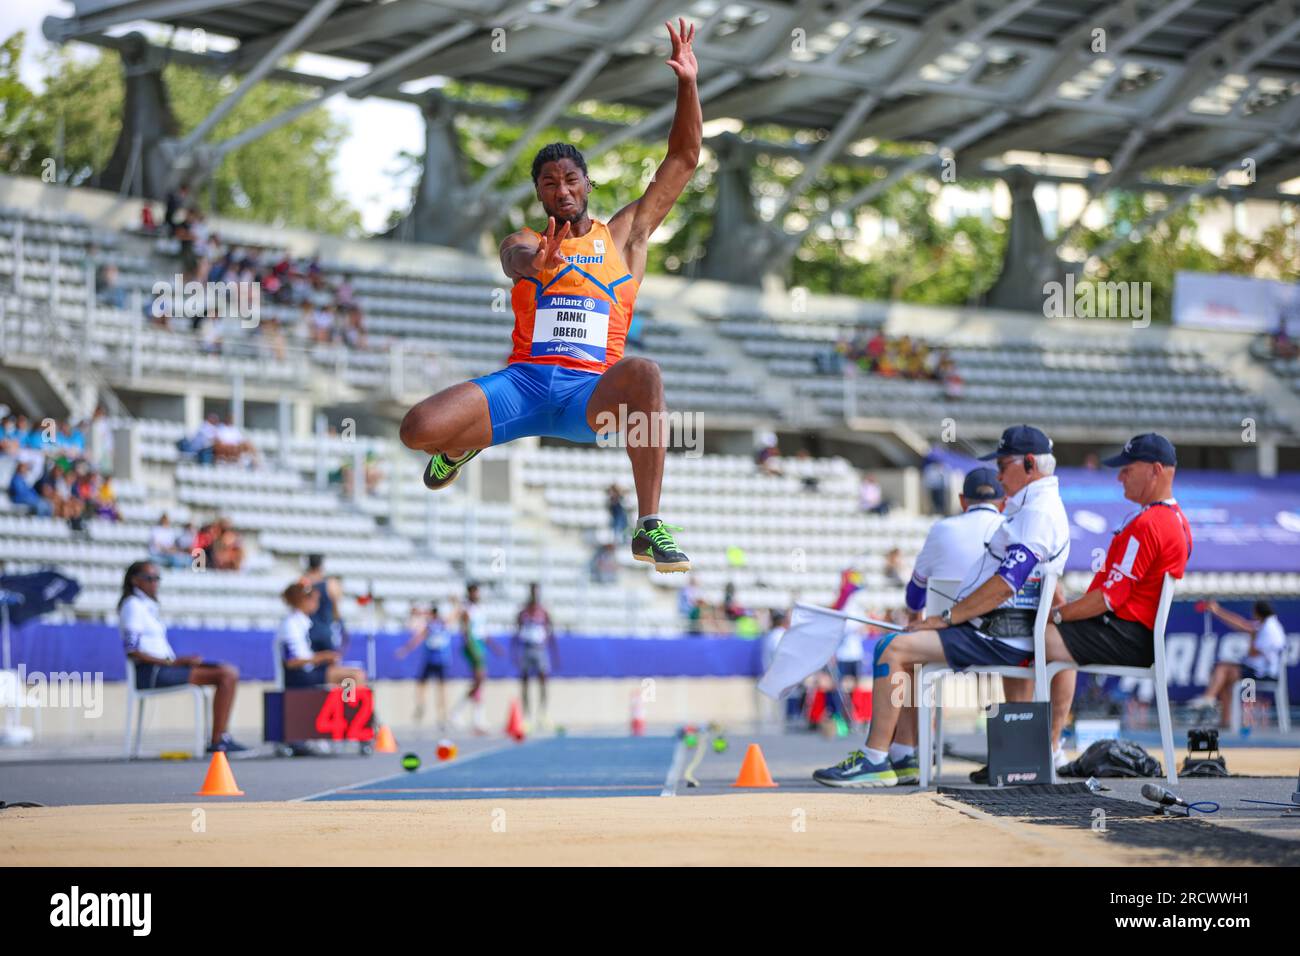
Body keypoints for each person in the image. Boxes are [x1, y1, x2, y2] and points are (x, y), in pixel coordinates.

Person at [398, 19, 701, 575]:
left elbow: (682, 161)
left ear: (586, 184)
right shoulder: (526, 241)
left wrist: (686, 83)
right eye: (548, 183)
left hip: (590, 396)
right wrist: (532, 264)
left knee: (647, 373)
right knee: (416, 430)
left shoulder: (624, 238)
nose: (560, 191)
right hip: (524, 384)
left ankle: (650, 524)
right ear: (539, 192)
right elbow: (512, 261)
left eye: (570, 180)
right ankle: (464, 444)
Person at [815, 425, 1070, 787]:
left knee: (892, 649)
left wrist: (946, 618)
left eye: (1002, 464)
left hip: (995, 633)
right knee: (906, 648)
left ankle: (879, 757)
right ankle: (1011, 758)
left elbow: (1005, 584)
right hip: (1003, 631)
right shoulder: (1033, 508)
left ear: (1029, 463)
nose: (999, 475)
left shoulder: (1037, 513)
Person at [1045, 434, 1192, 745]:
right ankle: (1049, 745)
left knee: (1029, 639)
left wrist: (1058, 615)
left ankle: (1036, 748)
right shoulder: (1177, 520)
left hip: (1125, 635)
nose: (1119, 476)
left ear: (1155, 470)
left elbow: (1109, 598)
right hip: (1135, 634)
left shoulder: (1149, 523)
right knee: (1049, 639)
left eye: (1128, 469)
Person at [118, 560, 247, 752]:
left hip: (164, 667)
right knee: (226, 674)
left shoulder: (146, 607)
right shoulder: (133, 606)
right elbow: (132, 650)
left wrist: (178, 661)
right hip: (152, 672)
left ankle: (220, 737)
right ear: (135, 581)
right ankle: (218, 739)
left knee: (226, 670)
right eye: (149, 578)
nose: (155, 583)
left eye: (157, 578)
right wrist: (174, 661)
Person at [1190, 600, 1284, 726]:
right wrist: (1217, 611)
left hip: (1263, 673)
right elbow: (1241, 624)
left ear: (1258, 612)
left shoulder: (1270, 628)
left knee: (1223, 669)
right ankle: (1225, 720)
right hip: (1258, 669)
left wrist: (1251, 638)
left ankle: (1208, 698)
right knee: (1223, 677)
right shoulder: (1266, 624)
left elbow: (1253, 652)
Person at [277, 581, 367, 689]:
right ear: (304, 600)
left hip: (307, 672)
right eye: (314, 600)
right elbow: (291, 661)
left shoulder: (301, 622)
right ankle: (351, 705)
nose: (317, 603)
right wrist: (323, 657)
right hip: (298, 676)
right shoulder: (291, 624)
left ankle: (348, 703)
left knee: (355, 672)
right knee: (354, 676)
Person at [449, 582, 503, 733]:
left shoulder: (480, 610)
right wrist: (472, 648)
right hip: (473, 646)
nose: (477, 594)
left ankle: (466, 715)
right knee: (479, 680)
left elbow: (483, 632)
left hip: (481, 645)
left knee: (479, 682)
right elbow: (466, 632)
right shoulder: (467, 610)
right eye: (475, 592)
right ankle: (467, 715)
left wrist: (495, 647)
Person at [396, 603, 452, 728]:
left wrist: (404, 650)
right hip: (440, 660)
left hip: (434, 660)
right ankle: (440, 714)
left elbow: (417, 639)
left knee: (426, 685)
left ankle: (427, 707)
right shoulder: (442, 624)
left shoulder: (432, 625)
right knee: (439, 688)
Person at [514, 583, 559, 725]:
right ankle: (526, 715)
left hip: (540, 648)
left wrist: (550, 647)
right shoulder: (523, 612)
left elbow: (550, 628)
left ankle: (543, 714)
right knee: (525, 682)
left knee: (543, 680)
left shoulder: (543, 612)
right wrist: (516, 652)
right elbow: (517, 630)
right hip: (527, 648)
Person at [301, 554, 344, 652]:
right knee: (329, 663)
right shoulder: (331, 584)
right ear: (321, 566)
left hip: (307, 631)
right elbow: (336, 609)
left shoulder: (302, 583)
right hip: (326, 630)